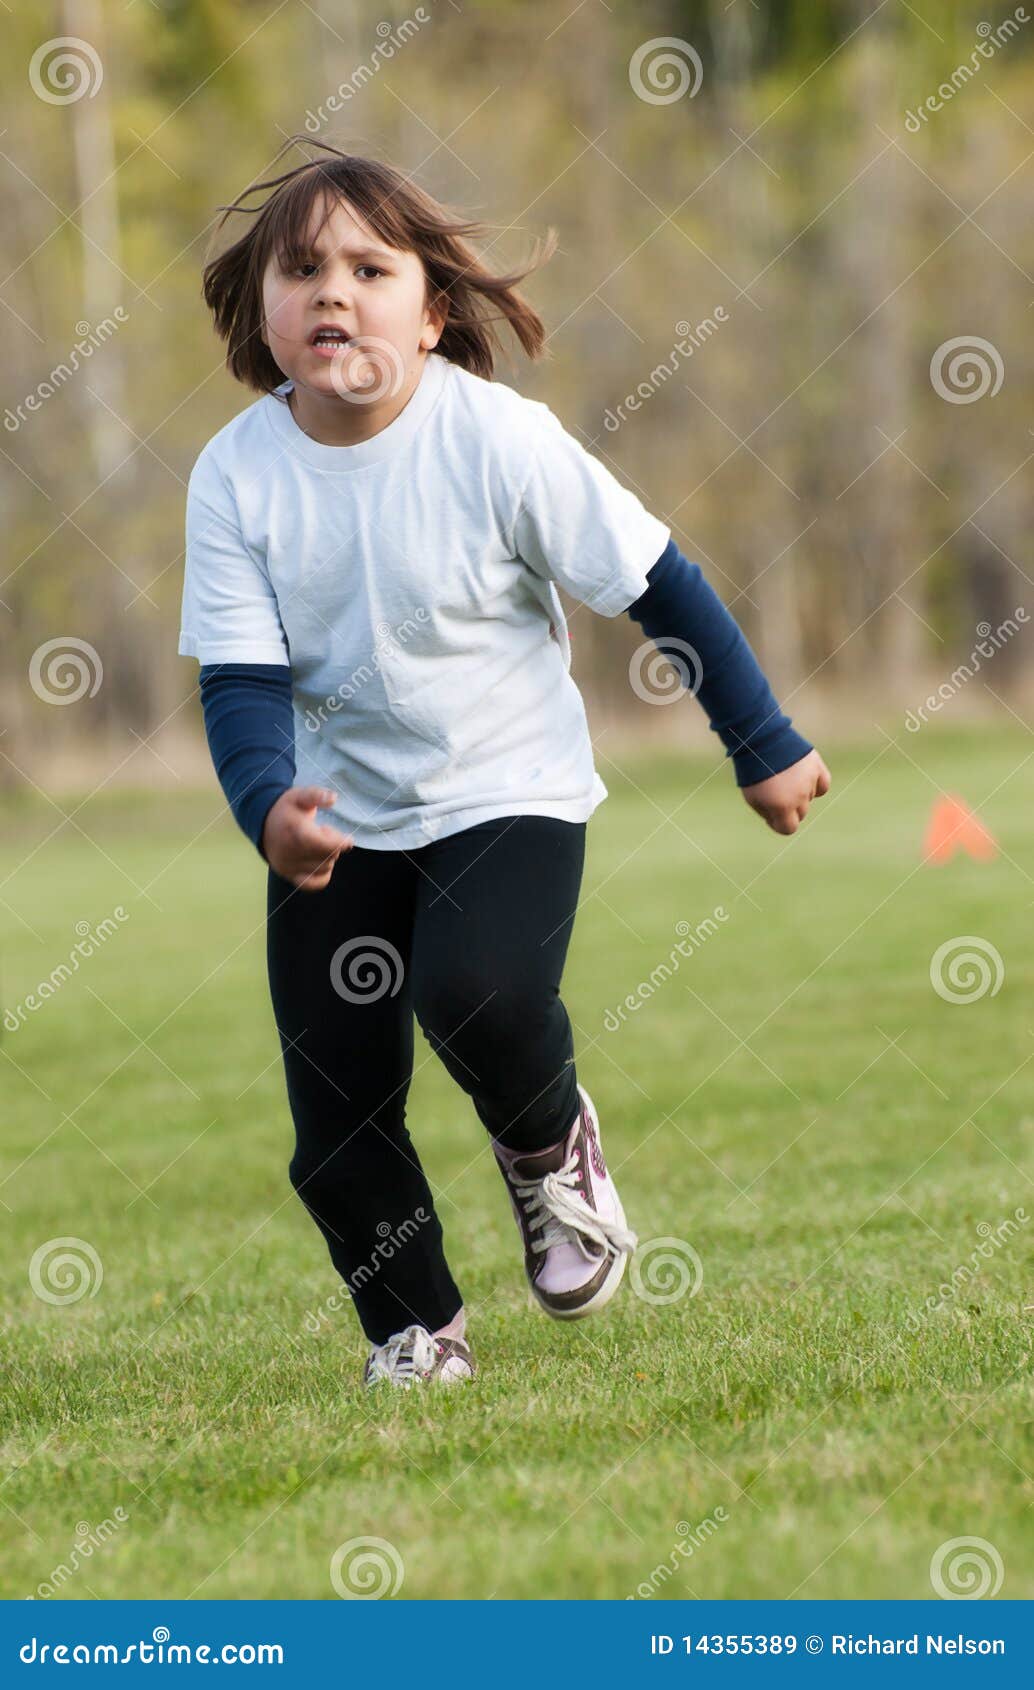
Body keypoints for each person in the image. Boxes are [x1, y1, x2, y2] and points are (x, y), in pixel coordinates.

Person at [179, 137, 831, 1392]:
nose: (330, 291)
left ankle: (545, 1147)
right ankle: (415, 1332)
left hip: (505, 788)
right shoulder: (237, 475)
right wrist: (269, 807)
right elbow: (242, 682)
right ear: (261, 311)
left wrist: (762, 744)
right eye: (300, 270)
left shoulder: (496, 440)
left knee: (475, 991)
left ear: (431, 314)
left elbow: (658, 584)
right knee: (333, 1122)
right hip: (336, 815)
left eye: (368, 269)